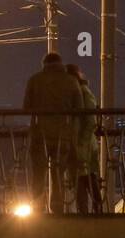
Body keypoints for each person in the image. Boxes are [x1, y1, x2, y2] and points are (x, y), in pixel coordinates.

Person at [23, 52, 84, 214]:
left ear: (44, 64)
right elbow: (79, 108)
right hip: (63, 135)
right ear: (60, 64)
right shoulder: (71, 81)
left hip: (39, 134)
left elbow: (26, 107)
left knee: (38, 173)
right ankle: (57, 207)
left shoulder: (34, 80)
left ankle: (37, 208)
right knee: (58, 173)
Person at [66, 64, 104, 213]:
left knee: (86, 178)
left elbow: (90, 120)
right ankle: (90, 214)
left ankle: (91, 214)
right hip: (82, 143)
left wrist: (81, 142)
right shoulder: (81, 92)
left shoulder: (82, 92)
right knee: (83, 179)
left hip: (84, 144)